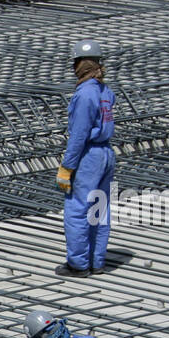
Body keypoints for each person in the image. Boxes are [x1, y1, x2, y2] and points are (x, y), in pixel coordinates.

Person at [56, 39, 116, 277]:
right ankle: (96, 261)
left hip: (89, 156)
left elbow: (79, 135)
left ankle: (78, 264)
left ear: (80, 64)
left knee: (78, 209)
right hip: (106, 154)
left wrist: (67, 167)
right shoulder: (104, 91)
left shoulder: (85, 94)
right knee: (100, 208)